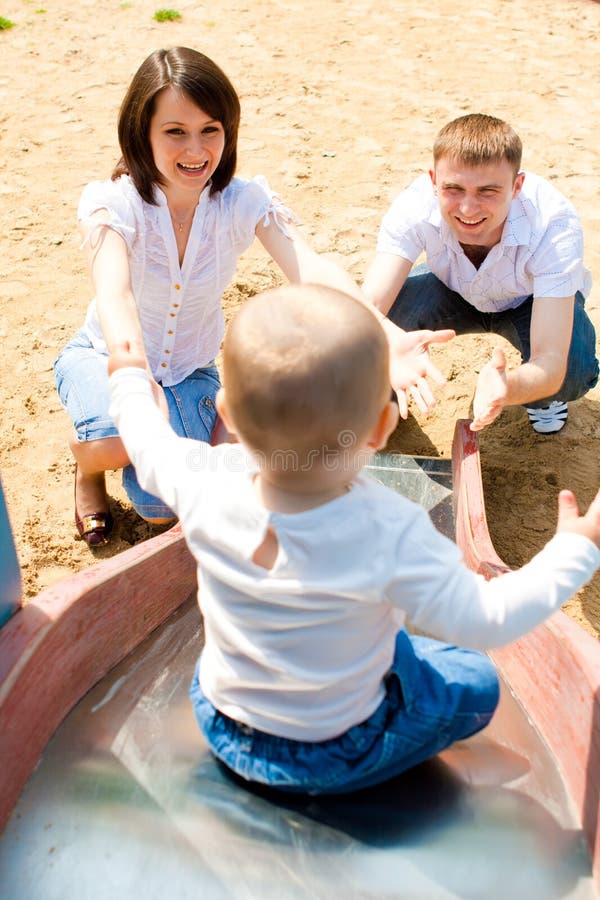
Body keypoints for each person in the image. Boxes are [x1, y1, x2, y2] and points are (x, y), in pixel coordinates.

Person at [107, 283, 600, 796]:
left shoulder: (202, 475)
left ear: (226, 414)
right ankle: (421, 771)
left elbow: (146, 441)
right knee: (474, 680)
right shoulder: (387, 526)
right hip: (334, 752)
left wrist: (127, 381)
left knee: (386, 648)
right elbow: (486, 618)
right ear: (382, 425)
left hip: (225, 722)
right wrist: (573, 552)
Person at [55, 46, 450, 547]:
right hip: (109, 358)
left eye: (210, 130)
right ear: (142, 133)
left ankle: (123, 444)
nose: (196, 150)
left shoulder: (240, 201)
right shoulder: (114, 205)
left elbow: (309, 267)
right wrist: (134, 376)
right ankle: (86, 465)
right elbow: (115, 299)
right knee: (117, 438)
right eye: (175, 132)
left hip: (189, 370)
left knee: (162, 506)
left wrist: (385, 334)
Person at [362, 113, 599, 435]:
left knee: (571, 371)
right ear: (433, 181)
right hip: (450, 285)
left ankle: (543, 401)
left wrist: (509, 387)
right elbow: (369, 305)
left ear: (517, 186)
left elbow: (551, 362)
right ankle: (383, 393)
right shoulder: (414, 206)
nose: (468, 209)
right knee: (372, 337)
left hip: (529, 298)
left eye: (487, 191)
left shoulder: (554, 224)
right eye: (453, 189)